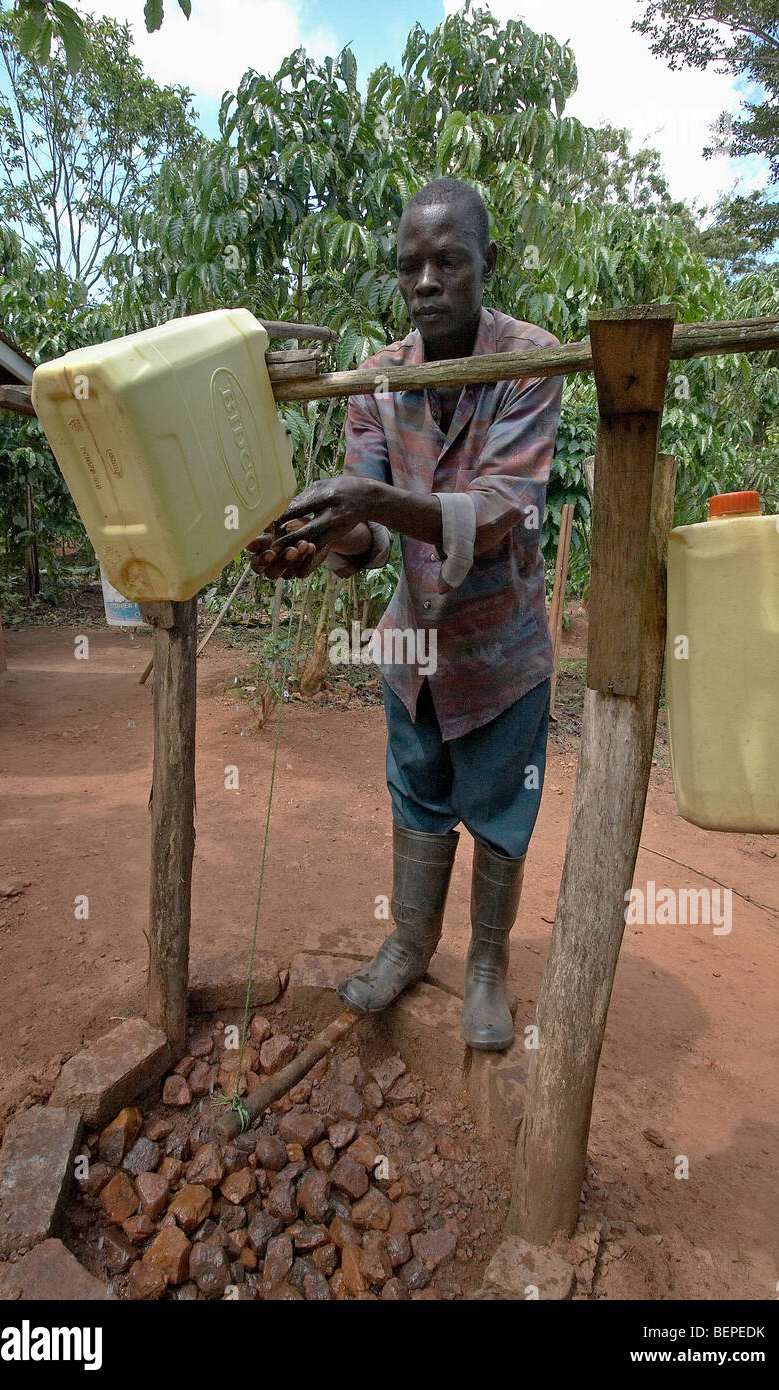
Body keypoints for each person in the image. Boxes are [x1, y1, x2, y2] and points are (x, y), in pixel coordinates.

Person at [248, 178, 563, 1050]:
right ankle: (411, 942)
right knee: (418, 795)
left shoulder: (531, 362)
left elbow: (501, 510)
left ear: (485, 264)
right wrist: (323, 541)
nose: (427, 280)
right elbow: (369, 535)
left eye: (448, 260)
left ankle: (489, 968)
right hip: (415, 650)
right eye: (411, 266)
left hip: (501, 651)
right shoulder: (377, 380)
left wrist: (369, 499)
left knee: (500, 809)